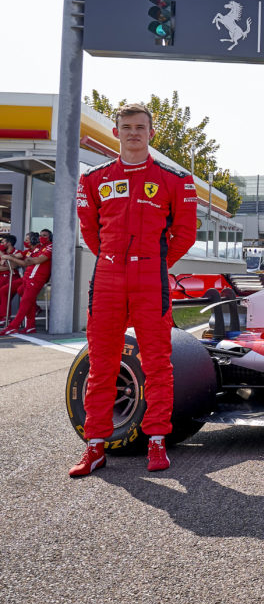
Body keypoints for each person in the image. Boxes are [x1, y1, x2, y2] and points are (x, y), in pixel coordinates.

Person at [70, 103, 198, 477]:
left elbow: (185, 235)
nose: (133, 133)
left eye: (140, 127)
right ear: (116, 132)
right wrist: (115, 260)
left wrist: (154, 262)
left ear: (151, 133)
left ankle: (157, 440)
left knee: (157, 362)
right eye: (126, 127)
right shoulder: (94, 179)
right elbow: (90, 231)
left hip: (150, 279)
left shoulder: (175, 179)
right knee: (101, 363)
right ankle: (95, 445)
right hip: (108, 276)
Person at [2, 229, 51, 335]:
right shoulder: (37, 248)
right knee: (22, 293)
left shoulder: (50, 246)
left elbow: (35, 261)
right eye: (41, 235)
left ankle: (12, 327)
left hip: (36, 278)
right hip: (27, 278)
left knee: (25, 302)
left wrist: (12, 258)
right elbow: (25, 260)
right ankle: (30, 326)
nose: (42, 237)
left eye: (45, 235)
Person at [0, 234, 25, 325]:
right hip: (4, 276)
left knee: (3, 292)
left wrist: (7, 265)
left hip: (12, 277)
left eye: (2, 242)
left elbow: (13, 266)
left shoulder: (17, 252)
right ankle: (4, 317)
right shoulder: (4, 253)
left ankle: (5, 317)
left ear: (9, 243)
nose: (1, 244)